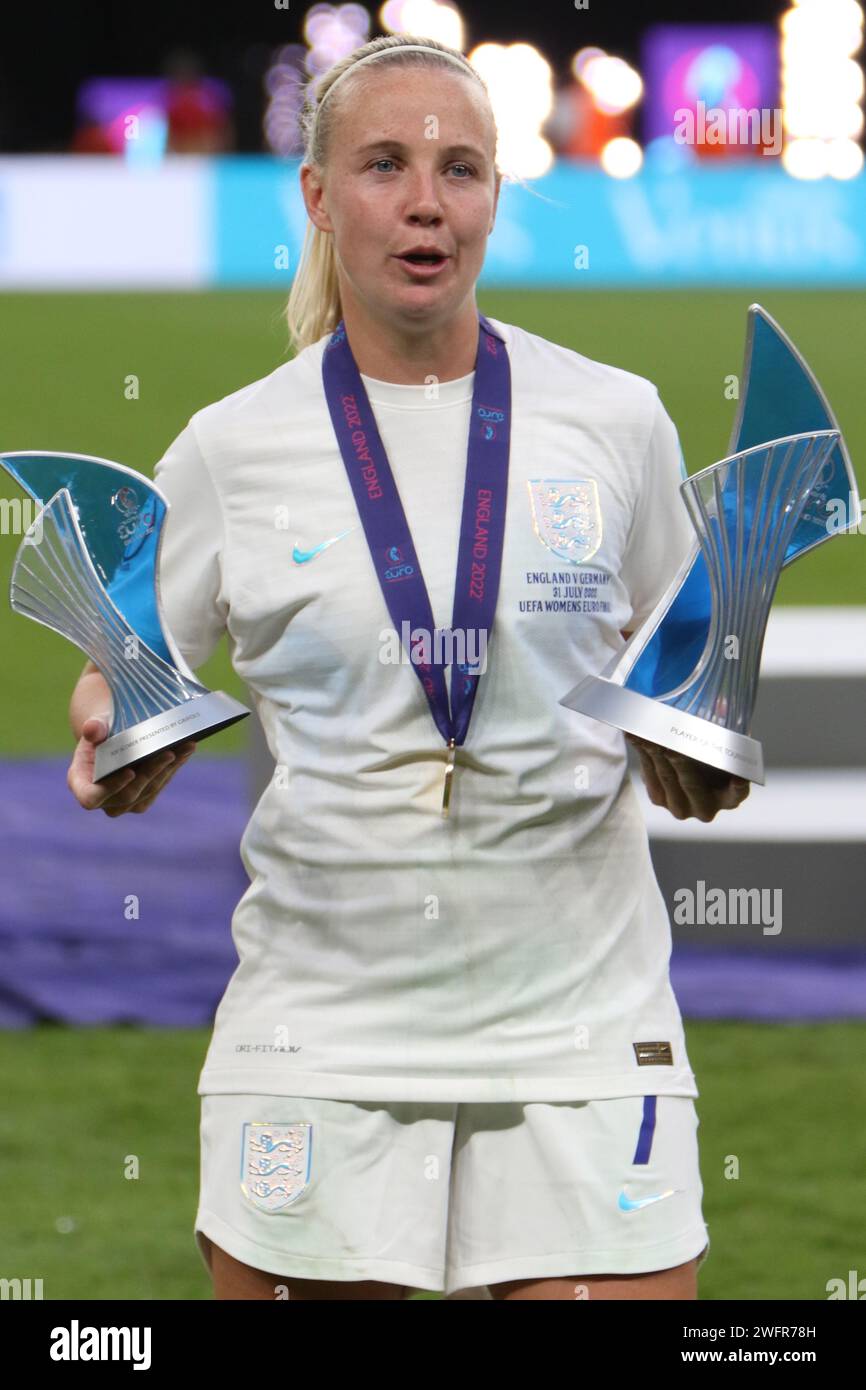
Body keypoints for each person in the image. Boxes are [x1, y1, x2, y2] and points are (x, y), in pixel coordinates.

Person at [67, 34, 750, 1302]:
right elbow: (125, 669)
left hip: (584, 1032)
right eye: (383, 165)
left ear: (495, 195)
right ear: (320, 198)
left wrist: (695, 747)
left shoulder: (615, 420)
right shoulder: (232, 450)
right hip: (316, 1032)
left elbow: (688, 661)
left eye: (461, 169)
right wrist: (113, 727)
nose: (427, 200)